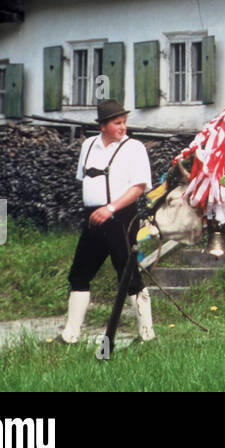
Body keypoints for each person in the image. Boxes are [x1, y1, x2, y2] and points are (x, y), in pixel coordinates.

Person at [58, 99, 155, 344]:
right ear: (103, 126)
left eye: (124, 122)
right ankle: (70, 335)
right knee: (79, 274)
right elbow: (85, 178)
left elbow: (139, 187)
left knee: (129, 275)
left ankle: (147, 335)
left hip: (121, 218)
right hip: (93, 218)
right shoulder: (89, 145)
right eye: (117, 123)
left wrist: (110, 207)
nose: (123, 127)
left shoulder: (134, 148)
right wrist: (98, 209)